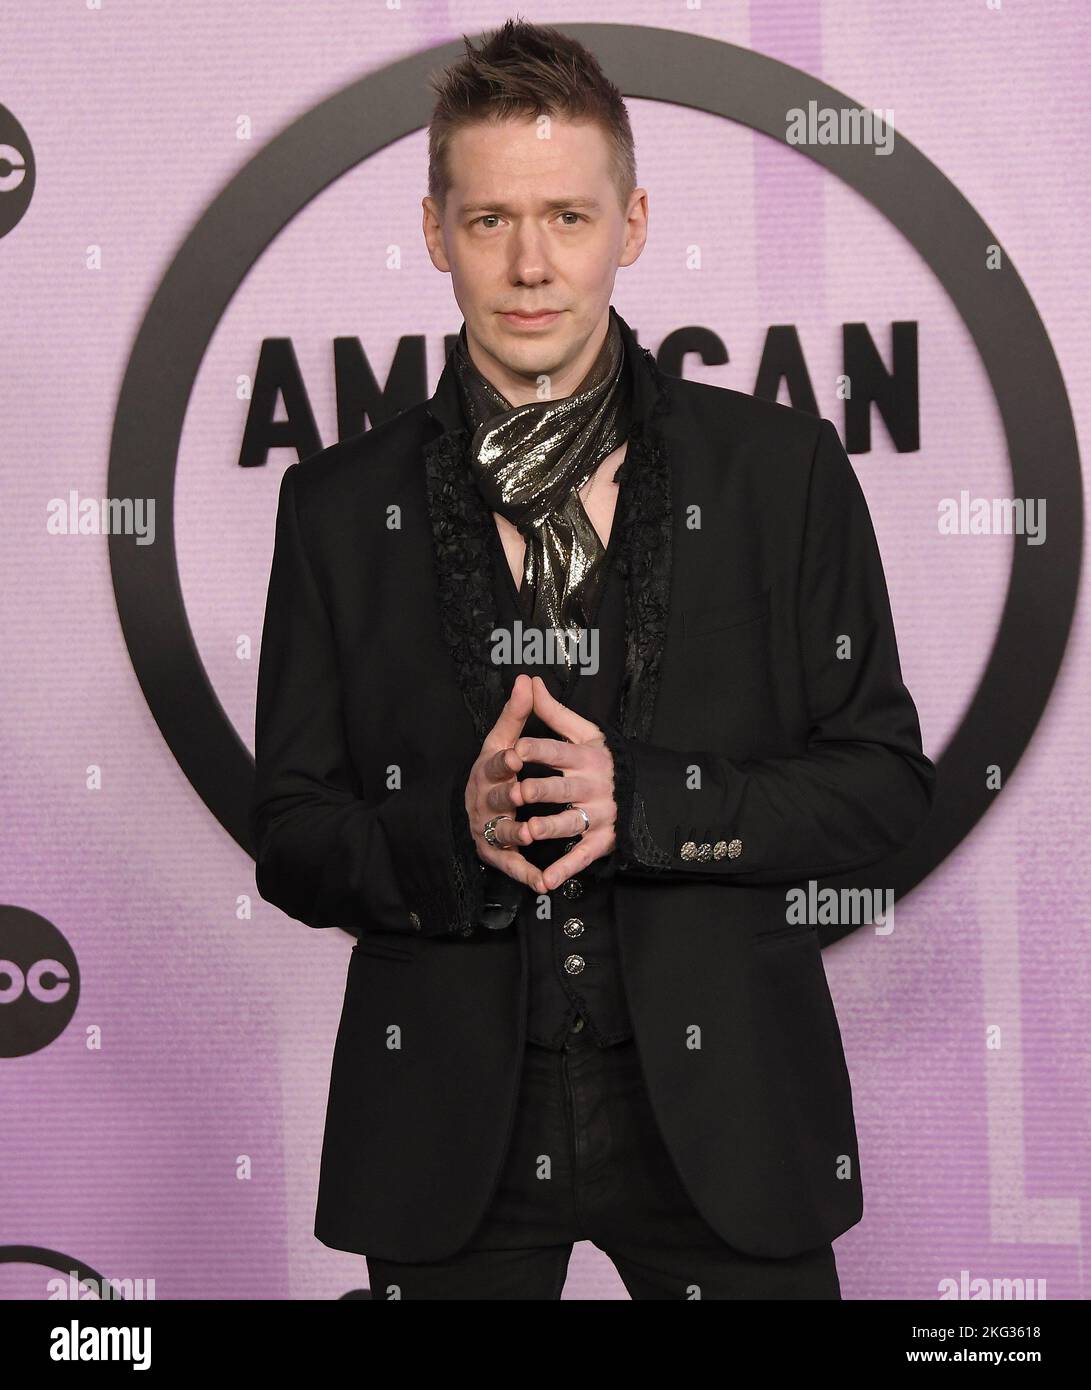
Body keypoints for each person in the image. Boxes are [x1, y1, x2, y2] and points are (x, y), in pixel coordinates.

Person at [250, 19, 936, 1299]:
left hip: (725, 1111)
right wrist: (447, 832)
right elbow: (288, 834)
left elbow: (882, 786)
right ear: (433, 230)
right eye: (490, 219)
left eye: (566, 218)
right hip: (449, 1131)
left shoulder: (777, 475)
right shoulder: (337, 508)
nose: (527, 264)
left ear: (628, 225)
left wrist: (655, 801)